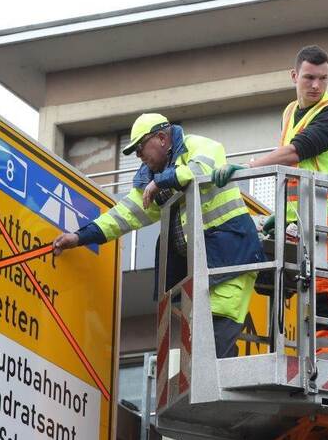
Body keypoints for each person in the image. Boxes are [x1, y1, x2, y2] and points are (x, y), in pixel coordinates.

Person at [53, 113, 265, 358]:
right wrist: (80, 237)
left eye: (141, 147)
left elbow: (200, 169)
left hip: (231, 260)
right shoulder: (152, 182)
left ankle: (217, 391)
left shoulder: (199, 146)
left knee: (214, 346)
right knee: (206, 348)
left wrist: (161, 182)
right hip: (208, 266)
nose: (139, 156)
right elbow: (122, 216)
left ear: (162, 138)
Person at [213, 45, 328, 359]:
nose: (316, 86)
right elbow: (295, 172)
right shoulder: (290, 113)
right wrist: (281, 216)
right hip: (307, 217)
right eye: (309, 78)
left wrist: (250, 166)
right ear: (294, 76)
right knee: (303, 285)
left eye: (323, 78)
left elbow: (298, 152)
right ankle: (311, 351)